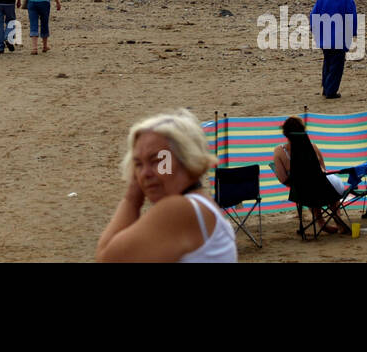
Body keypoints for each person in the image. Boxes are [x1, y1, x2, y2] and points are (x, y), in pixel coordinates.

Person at [96, 109, 237, 262]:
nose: (144, 174)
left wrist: (132, 199)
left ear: (186, 159)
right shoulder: (201, 206)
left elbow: (107, 258)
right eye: (138, 164)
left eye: (158, 161)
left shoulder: (179, 209)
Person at [271, 117, 350, 233]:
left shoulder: (279, 151)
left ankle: (321, 222)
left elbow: (283, 179)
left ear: (286, 133)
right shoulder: (313, 147)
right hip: (330, 187)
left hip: (307, 192)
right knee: (316, 183)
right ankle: (337, 219)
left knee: (306, 187)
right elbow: (323, 169)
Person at [311, 0, 357, 99]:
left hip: (325, 36)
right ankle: (330, 91)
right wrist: (353, 32)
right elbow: (351, 18)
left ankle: (326, 89)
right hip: (340, 38)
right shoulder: (348, 0)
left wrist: (314, 29)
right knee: (336, 65)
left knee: (327, 62)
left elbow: (314, 14)